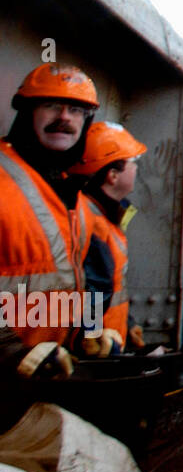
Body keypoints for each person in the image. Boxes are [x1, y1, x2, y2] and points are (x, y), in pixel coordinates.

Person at [0, 63, 98, 386]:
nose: (64, 118)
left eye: (76, 110)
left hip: (46, 376)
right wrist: (11, 352)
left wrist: (91, 330)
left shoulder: (72, 195)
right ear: (27, 112)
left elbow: (76, 278)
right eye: (51, 105)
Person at [69, 122, 147, 356]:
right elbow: (92, 291)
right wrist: (91, 336)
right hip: (98, 354)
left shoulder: (104, 216)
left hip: (109, 344)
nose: (136, 170)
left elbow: (111, 287)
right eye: (133, 164)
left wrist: (129, 324)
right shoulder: (94, 223)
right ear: (113, 175)